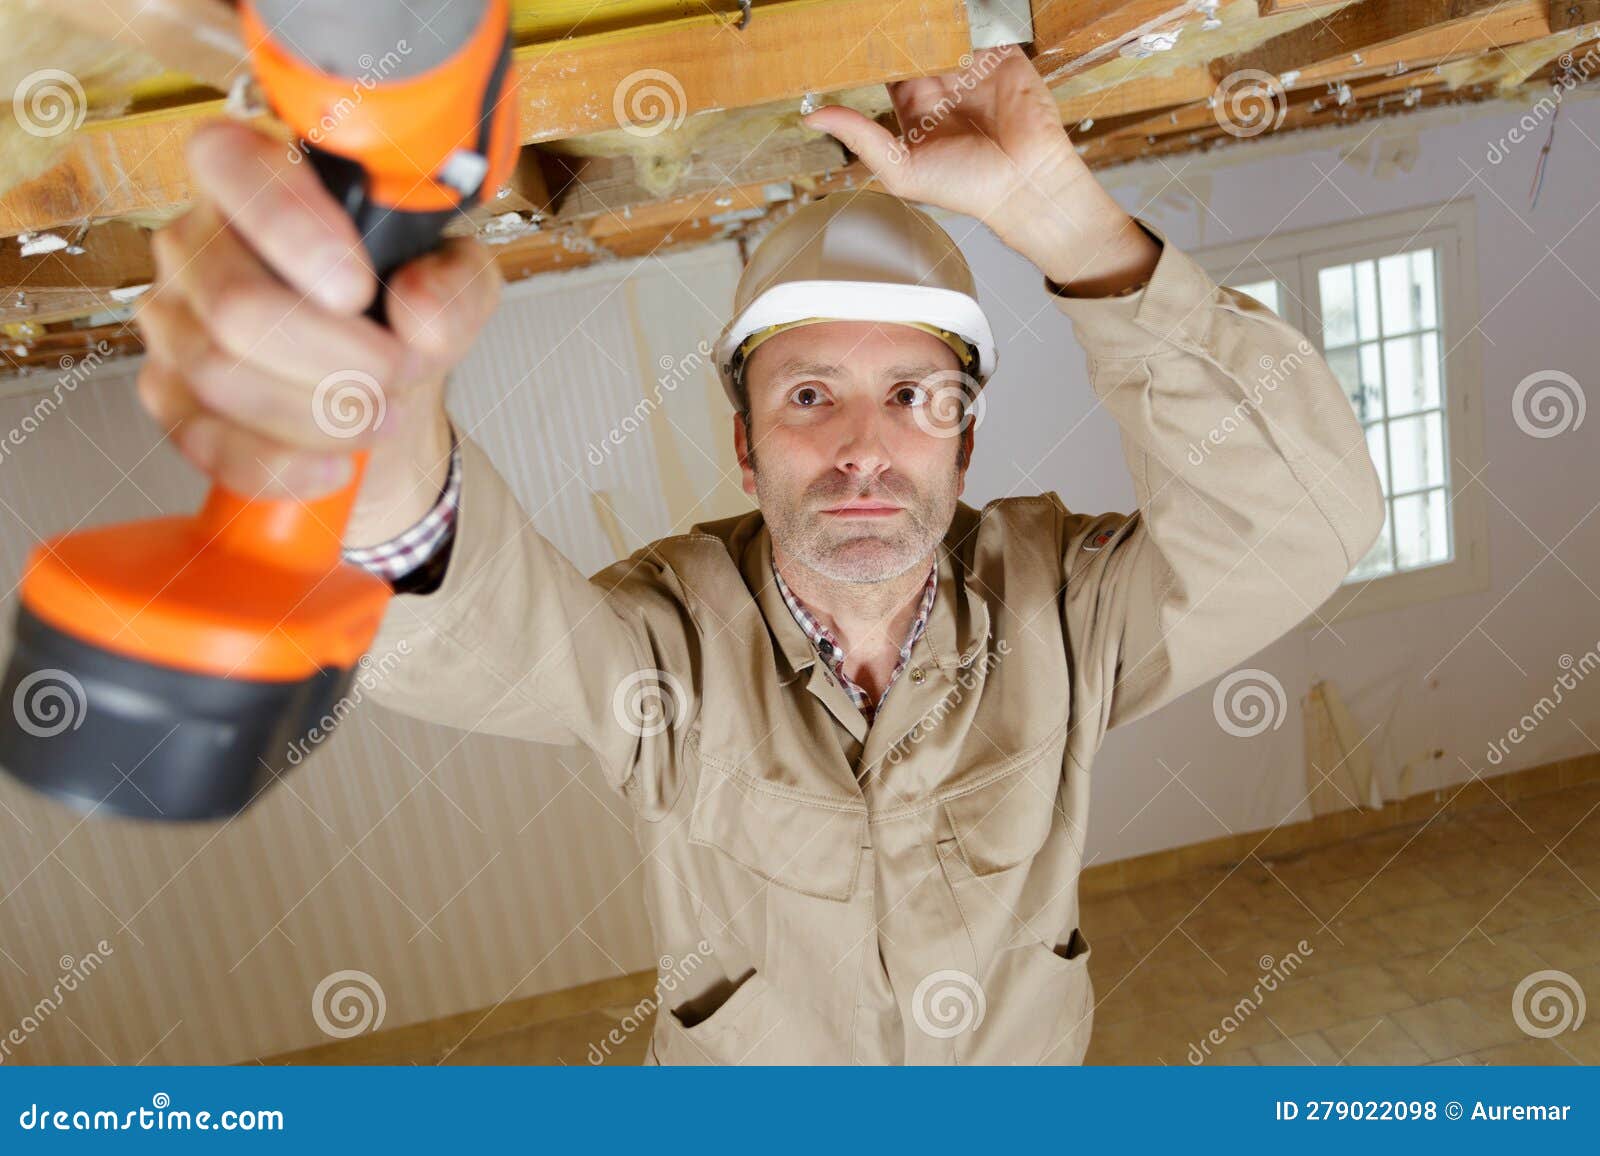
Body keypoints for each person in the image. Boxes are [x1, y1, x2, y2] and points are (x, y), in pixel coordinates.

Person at [136, 46, 1384, 1064]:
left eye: (912, 395)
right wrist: (379, 426)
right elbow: (485, 647)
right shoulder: (672, 643)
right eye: (808, 399)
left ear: (965, 439)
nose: (863, 448)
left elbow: (1297, 523)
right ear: (745, 448)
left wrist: (1055, 212)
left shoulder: (1064, 607)